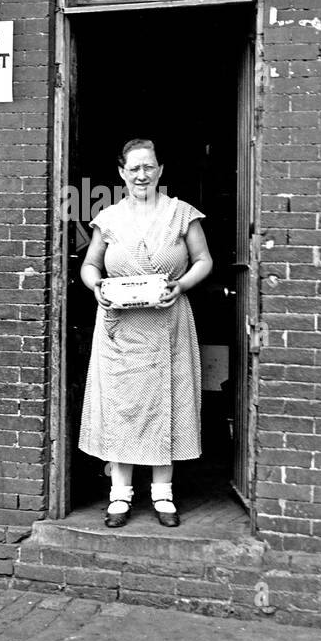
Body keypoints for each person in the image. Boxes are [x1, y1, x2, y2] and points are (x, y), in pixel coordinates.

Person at [79, 138, 213, 528]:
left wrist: (183, 284)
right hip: (119, 329)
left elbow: (205, 260)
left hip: (167, 323)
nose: (142, 174)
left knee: (165, 404)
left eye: (149, 167)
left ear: (160, 170)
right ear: (121, 173)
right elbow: (90, 265)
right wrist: (97, 287)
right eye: (134, 168)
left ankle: (163, 495)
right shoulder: (108, 218)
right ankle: (119, 496)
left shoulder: (181, 213)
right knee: (121, 408)